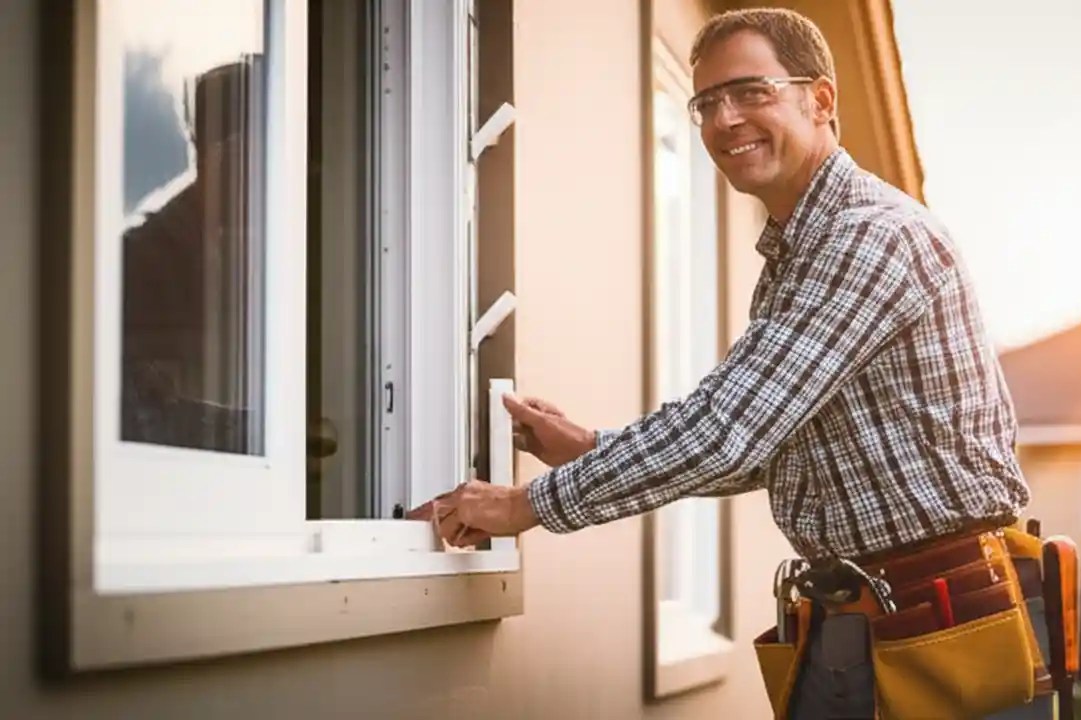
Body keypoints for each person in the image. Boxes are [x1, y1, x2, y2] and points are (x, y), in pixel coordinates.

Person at [411, 8, 1032, 717]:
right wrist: (588, 447)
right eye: (705, 103)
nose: (723, 119)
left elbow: (727, 429)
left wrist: (524, 506)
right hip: (859, 617)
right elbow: (778, 449)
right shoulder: (798, 252)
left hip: (942, 618)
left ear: (820, 99)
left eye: (750, 92)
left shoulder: (871, 238)